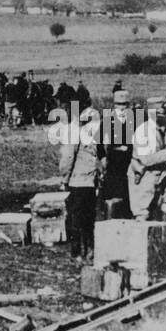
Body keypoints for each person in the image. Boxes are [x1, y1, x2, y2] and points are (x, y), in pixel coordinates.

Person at [60, 106, 103, 262]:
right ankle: (86, 250)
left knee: (78, 219)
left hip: (79, 182)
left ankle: (78, 252)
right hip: (87, 183)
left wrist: (64, 179)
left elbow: (67, 159)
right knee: (86, 219)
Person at [130, 97, 166, 222]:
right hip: (143, 179)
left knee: (165, 211)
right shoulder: (143, 131)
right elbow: (146, 160)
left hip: (158, 179)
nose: (165, 116)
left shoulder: (162, 130)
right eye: (162, 112)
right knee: (142, 216)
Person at [98, 90, 134, 218]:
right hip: (113, 162)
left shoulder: (133, 120)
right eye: (119, 105)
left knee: (128, 191)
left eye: (125, 105)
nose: (122, 108)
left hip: (129, 162)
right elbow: (98, 141)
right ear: (114, 105)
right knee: (112, 192)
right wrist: (102, 157)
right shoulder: (108, 121)